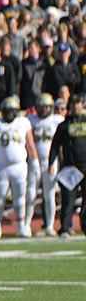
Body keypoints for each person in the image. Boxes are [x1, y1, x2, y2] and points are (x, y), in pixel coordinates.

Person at [0, 95, 38, 239]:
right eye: (6, 111)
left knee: (20, 197)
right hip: (1, 167)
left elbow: (30, 145)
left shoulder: (23, 123)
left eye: (11, 111)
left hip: (19, 166)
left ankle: (21, 226)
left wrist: (35, 162)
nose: (8, 114)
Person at [52, 94, 86, 237]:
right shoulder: (64, 125)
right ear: (69, 107)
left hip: (85, 166)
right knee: (68, 199)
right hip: (70, 167)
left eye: (78, 104)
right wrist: (51, 162)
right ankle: (65, 228)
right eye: (73, 104)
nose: (76, 107)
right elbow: (55, 146)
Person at [29, 94, 62, 236]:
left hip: (51, 162)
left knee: (49, 195)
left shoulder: (57, 120)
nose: (44, 109)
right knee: (30, 194)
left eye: (47, 107)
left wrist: (57, 161)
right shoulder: (30, 120)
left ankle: (49, 225)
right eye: (41, 107)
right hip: (34, 163)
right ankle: (25, 225)